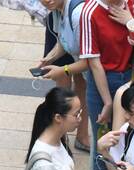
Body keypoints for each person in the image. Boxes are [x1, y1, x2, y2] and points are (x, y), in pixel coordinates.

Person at [79, 0, 134, 170]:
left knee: (133, 131)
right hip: (104, 81)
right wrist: (107, 101)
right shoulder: (90, 12)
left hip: (132, 76)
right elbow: (94, 63)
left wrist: (131, 22)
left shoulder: (133, 4)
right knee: (104, 139)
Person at [36, 0, 91, 151]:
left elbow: (91, 61)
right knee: (64, 90)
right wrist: (49, 59)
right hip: (85, 66)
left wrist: (62, 70)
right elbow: (63, 40)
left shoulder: (78, 15)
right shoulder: (56, 10)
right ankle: (60, 139)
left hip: (101, 76)